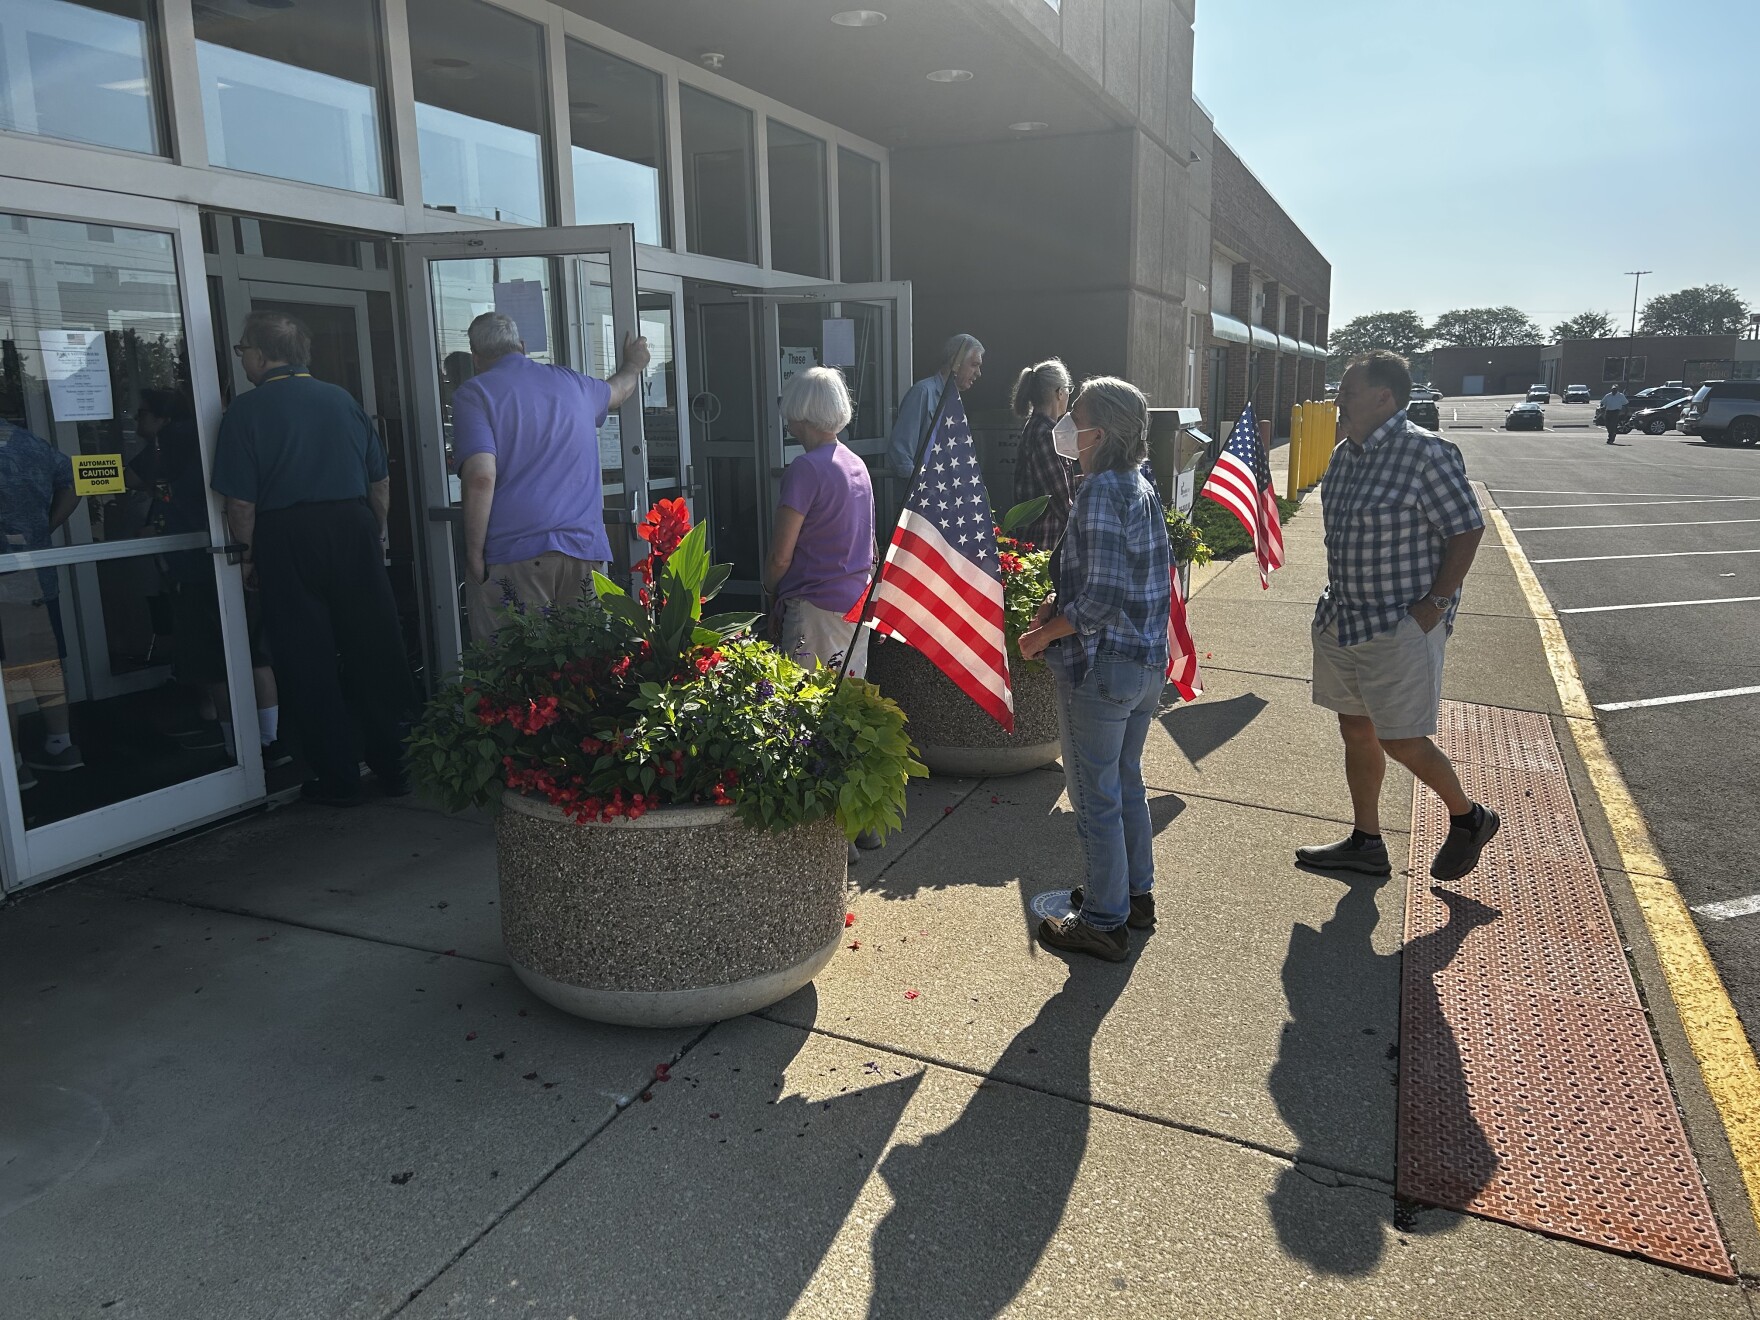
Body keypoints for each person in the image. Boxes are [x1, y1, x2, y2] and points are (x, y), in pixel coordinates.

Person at [1297, 349, 1499, 882]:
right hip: (1343, 619)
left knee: (1401, 737)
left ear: (1385, 397)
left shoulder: (1425, 453)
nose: (1338, 399)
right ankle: (1366, 841)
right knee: (1356, 729)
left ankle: (1468, 817)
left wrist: (1432, 608)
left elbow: (1466, 529)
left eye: (1349, 390)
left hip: (1400, 624)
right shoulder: (1346, 455)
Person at [210, 310, 414, 807]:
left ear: (259, 354)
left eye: (243, 352)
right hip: (353, 526)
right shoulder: (343, 401)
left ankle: (338, 778)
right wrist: (373, 533)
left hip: (286, 536)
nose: (244, 361)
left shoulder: (245, 412)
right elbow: (380, 482)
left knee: (307, 660)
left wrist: (253, 558)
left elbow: (240, 504)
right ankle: (397, 767)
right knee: (375, 650)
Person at [1018, 377, 1171, 963]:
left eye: (1075, 418)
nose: (1067, 428)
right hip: (1140, 666)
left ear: (1099, 433)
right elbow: (1117, 581)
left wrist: (1041, 636)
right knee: (1123, 781)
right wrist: (1059, 603)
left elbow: (1102, 600)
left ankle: (1105, 920)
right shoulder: (1136, 486)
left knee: (1095, 795)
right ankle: (1132, 896)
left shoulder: (1103, 490)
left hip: (1104, 669)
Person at [451, 312, 650, 641]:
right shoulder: (573, 383)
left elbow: (480, 478)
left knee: (514, 674)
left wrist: (474, 556)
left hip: (516, 556)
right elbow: (618, 390)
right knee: (582, 673)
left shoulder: (475, 394)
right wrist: (635, 364)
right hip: (583, 553)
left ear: (475, 357)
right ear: (523, 346)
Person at [138, 389, 288, 768]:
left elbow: (130, 476)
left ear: (164, 417)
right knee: (256, 654)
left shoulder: (170, 443)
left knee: (212, 662)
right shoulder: (231, 431)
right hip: (239, 558)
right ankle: (269, 740)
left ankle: (234, 747)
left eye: (142, 413)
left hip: (195, 563)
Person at [765, 367, 876, 679]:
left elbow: (780, 556)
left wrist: (769, 590)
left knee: (805, 707)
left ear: (800, 411)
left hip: (814, 606)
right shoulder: (857, 464)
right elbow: (870, 543)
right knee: (847, 705)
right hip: (855, 602)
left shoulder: (805, 468)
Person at [0, 414, 83, 787]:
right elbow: (74, 482)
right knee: (43, 662)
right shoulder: (28, 443)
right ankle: (61, 744)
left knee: (7, 671)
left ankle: (14, 764)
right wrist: (46, 528)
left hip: (5, 578)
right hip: (36, 573)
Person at [885, 334, 984, 479]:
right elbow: (901, 456)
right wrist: (926, 486)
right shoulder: (922, 393)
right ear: (954, 362)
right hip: (923, 498)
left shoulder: (954, 400)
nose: (978, 373)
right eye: (974, 365)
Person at [1009, 357, 1077, 549]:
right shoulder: (1046, 434)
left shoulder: (1035, 427)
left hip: (1034, 540)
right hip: (1045, 543)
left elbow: (1051, 480)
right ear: (1059, 393)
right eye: (1068, 390)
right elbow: (1061, 501)